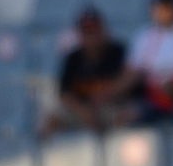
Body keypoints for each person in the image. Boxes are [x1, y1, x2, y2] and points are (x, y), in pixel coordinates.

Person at [41, 7, 131, 135]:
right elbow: (64, 93)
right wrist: (83, 111)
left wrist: (108, 95)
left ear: (103, 30)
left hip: (112, 107)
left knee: (126, 116)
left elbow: (131, 83)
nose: (91, 35)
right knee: (51, 117)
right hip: (82, 110)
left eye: (94, 29)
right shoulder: (73, 58)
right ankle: (49, 153)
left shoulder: (119, 52)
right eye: (87, 31)